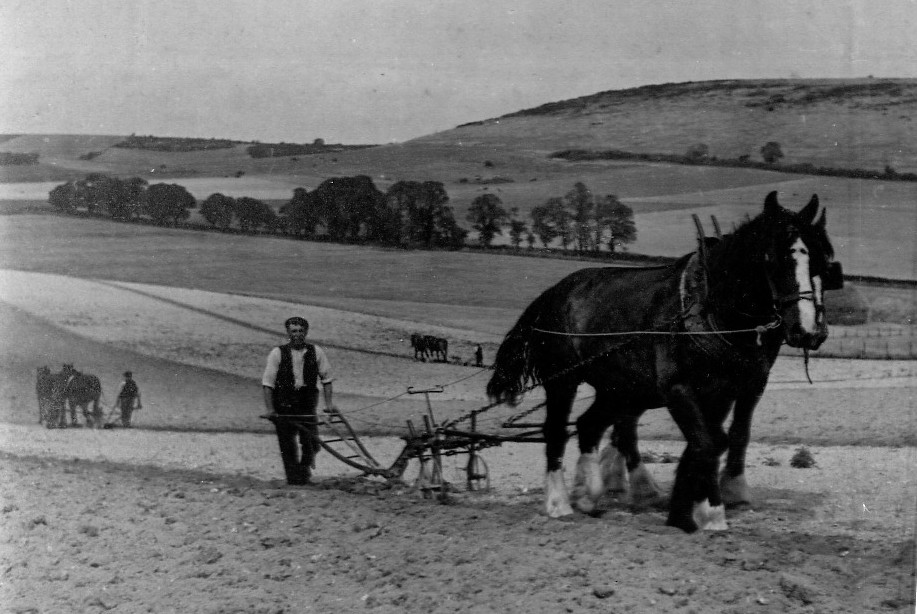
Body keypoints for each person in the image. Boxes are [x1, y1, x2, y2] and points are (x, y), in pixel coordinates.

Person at [262, 316, 336, 485]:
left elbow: (327, 380)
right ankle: (294, 480)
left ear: (306, 332)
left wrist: (329, 405)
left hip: (306, 403)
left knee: (312, 443)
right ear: (288, 333)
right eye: (293, 331)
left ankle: (303, 472)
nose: (297, 334)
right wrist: (270, 409)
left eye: (301, 331)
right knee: (287, 444)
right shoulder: (277, 353)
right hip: (284, 404)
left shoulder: (316, 351)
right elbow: (267, 384)